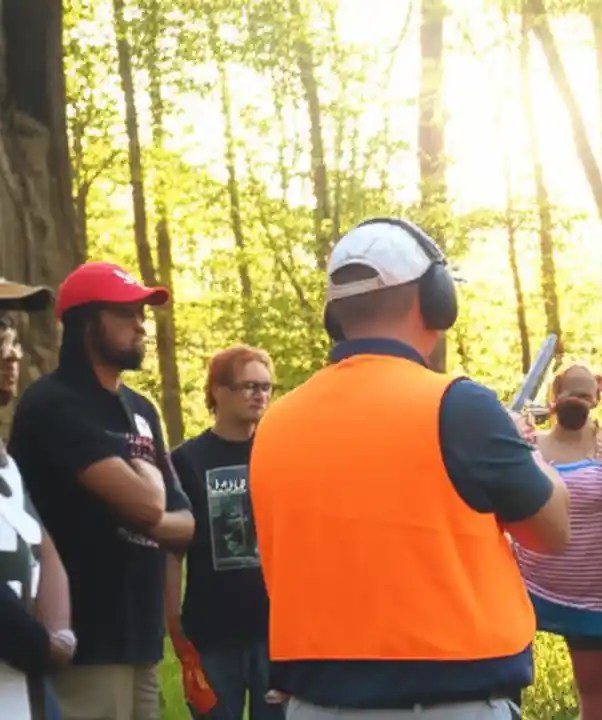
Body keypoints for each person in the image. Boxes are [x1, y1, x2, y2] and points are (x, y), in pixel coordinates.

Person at [248, 217, 569, 719]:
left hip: (313, 706)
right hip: (453, 705)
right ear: (436, 300)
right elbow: (552, 529)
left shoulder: (275, 424)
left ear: (336, 315)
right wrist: (526, 448)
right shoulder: (458, 407)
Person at [9, 262, 195, 720]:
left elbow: (185, 524)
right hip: (82, 641)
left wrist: (148, 502)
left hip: (141, 639)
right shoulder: (53, 404)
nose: (141, 326)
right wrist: (150, 493)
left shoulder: (141, 409)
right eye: (127, 313)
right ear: (87, 322)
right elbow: (150, 503)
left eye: (142, 314)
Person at [165, 345, 281, 720]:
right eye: (248, 385)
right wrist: (174, 627)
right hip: (211, 631)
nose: (259, 395)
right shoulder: (186, 461)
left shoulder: (280, 452)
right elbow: (172, 551)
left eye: (266, 387)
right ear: (218, 390)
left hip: (275, 632)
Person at [513, 361, 602, 720]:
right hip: (527, 585)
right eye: (570, 393)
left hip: (596, 591)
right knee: (504, 683)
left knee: (596, 689)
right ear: (554, 397)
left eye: (585, 394)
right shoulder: (526, 445)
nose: (577, 401)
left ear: (596, 399)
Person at [0, 281, 73, 720]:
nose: (13, 355)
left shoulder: (7, 461)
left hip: (24, 693)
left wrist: (61, 634)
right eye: (0, 340)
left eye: (11, 337)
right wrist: (39, 645)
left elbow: (37, 540)